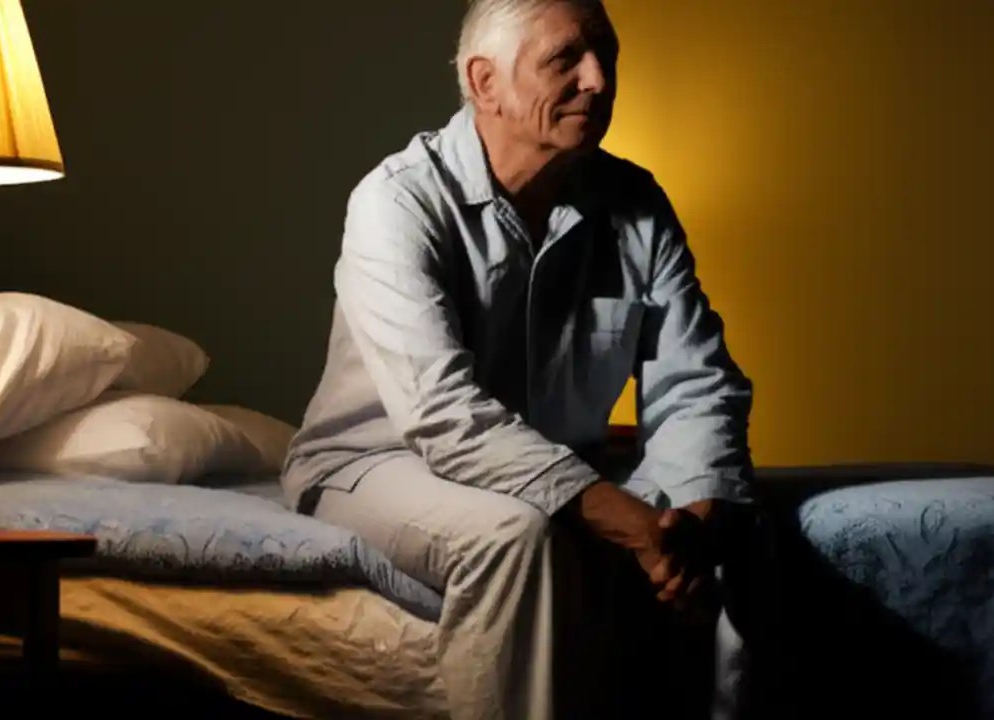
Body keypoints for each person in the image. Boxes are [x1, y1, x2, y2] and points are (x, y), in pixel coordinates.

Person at [281, 0, 757, 717]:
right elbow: (443, 416)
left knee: (731, 522)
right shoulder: (396, 203)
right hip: (375, 462)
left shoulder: (635, 200)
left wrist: (687, 515)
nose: (598, 79)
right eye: (566, 59)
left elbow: (694, 381)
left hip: (554, 465)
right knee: (514, 536)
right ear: (485, 83)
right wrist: (627, 521)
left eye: (607, 55)